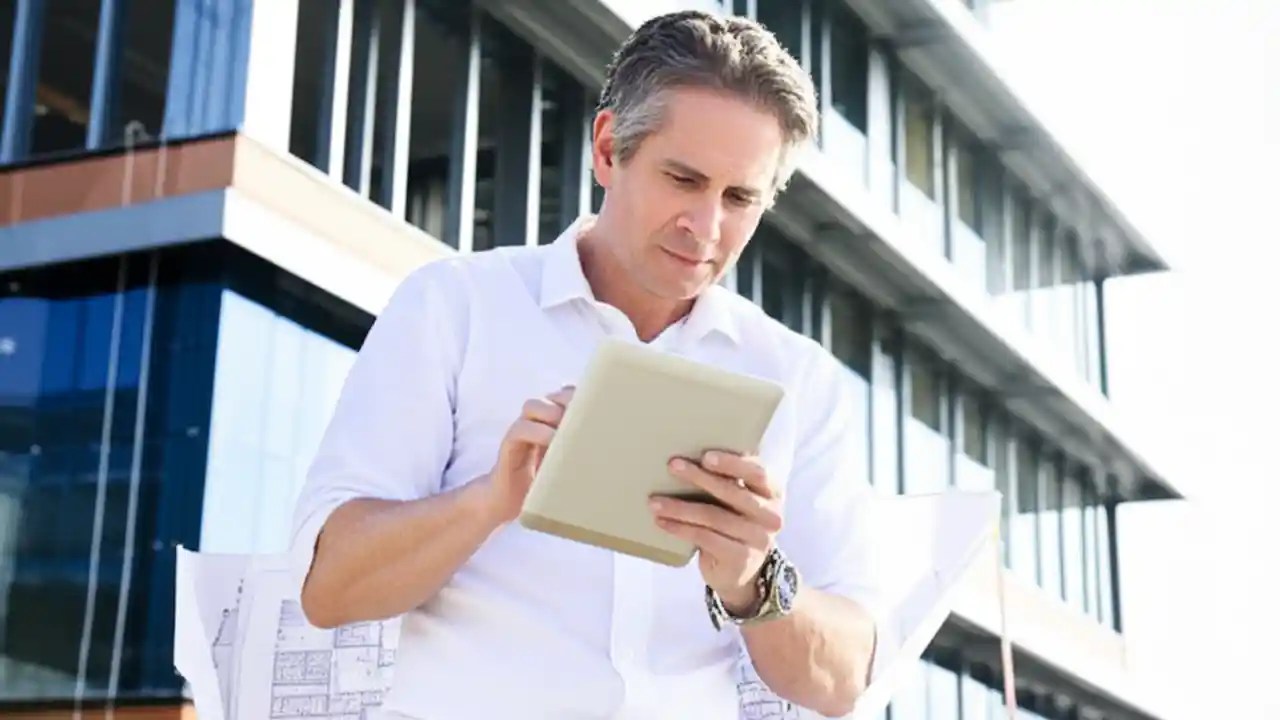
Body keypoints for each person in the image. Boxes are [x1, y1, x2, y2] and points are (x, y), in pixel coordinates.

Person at [290, 10, 884, 719]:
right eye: (683, 179)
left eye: (740, 198)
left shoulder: (798, 379)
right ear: (608, 148)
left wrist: (754, 580)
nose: (707, 226)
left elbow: (846, 678)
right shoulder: (454, 307)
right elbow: (330, 592)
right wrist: (488, 502)